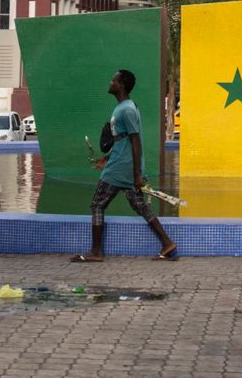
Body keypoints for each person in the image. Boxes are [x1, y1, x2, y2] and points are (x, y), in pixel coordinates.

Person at [71, 69, 177, 262]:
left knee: (97, 205)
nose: (110, 82)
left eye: (114, 80)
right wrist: (107, 158)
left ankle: (95, 252)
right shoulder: (124, 107)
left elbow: (135, 141)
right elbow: (123, 140)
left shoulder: (126, 109)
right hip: (122, 165)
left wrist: (136, 173)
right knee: (140, 206)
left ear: (121, 85)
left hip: (121, 169)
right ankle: (167, 243)